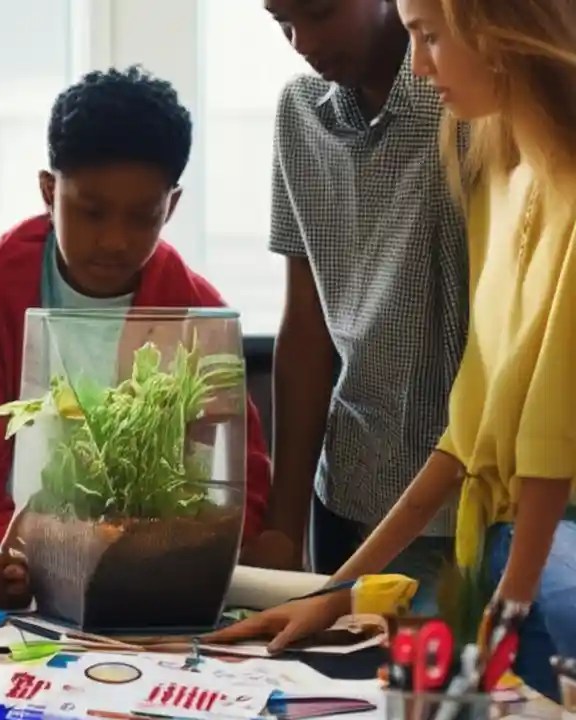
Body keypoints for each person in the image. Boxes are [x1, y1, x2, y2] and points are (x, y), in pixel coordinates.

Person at [210, 0, 576, 700]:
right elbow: (469, 429)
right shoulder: (508, 172)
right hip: (384, 498)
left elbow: (542, 451)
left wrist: (503, 617)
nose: (300, 45)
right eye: (280, 22)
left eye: (429, 36)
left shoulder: (485, 136)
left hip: (505, 544)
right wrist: (340, 588)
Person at [0, 67, 271, 547]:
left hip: (160, 572)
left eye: (142, 216)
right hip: (20, 568)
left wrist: (170, 554)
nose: (114, 240)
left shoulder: (197, 313)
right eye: (91, 211)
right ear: (49, 192)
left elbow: (240, 486)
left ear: (170, 206)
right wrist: (13, 556)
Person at [243, 0, 468, 602]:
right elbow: (306, 328)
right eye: (281, 22)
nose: (300, 41)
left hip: (464, 506)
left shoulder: (461, 106)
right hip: (345, 493)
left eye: (319, 13)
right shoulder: (299, 115)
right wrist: (283, 529)